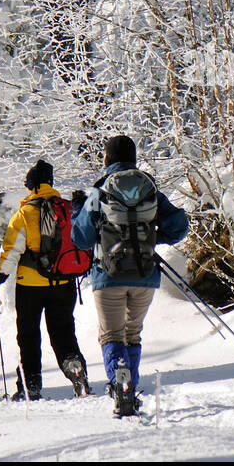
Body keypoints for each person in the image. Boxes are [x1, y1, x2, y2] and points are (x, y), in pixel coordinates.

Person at [72, 134, 188, 406]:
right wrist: (150, 237)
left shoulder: (98, 192)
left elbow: (81, 238)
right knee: (132, 334)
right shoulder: (150, 189)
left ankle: (119, 381)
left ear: (107, 159)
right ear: (134, 158)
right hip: (145, 275)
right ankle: (130, 387)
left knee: (111, 335)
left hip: (107, 276)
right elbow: (178, 228)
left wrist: (81, 211)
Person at [0, 159, 90, 400]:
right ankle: (74, 365)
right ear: (50, 183)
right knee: (63, 332)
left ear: (31, 185)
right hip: (64, 282)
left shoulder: (24, 214)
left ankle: (30, 386)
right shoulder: (67, 209)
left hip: (30, 286)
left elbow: (11, 253)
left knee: (29, 336)